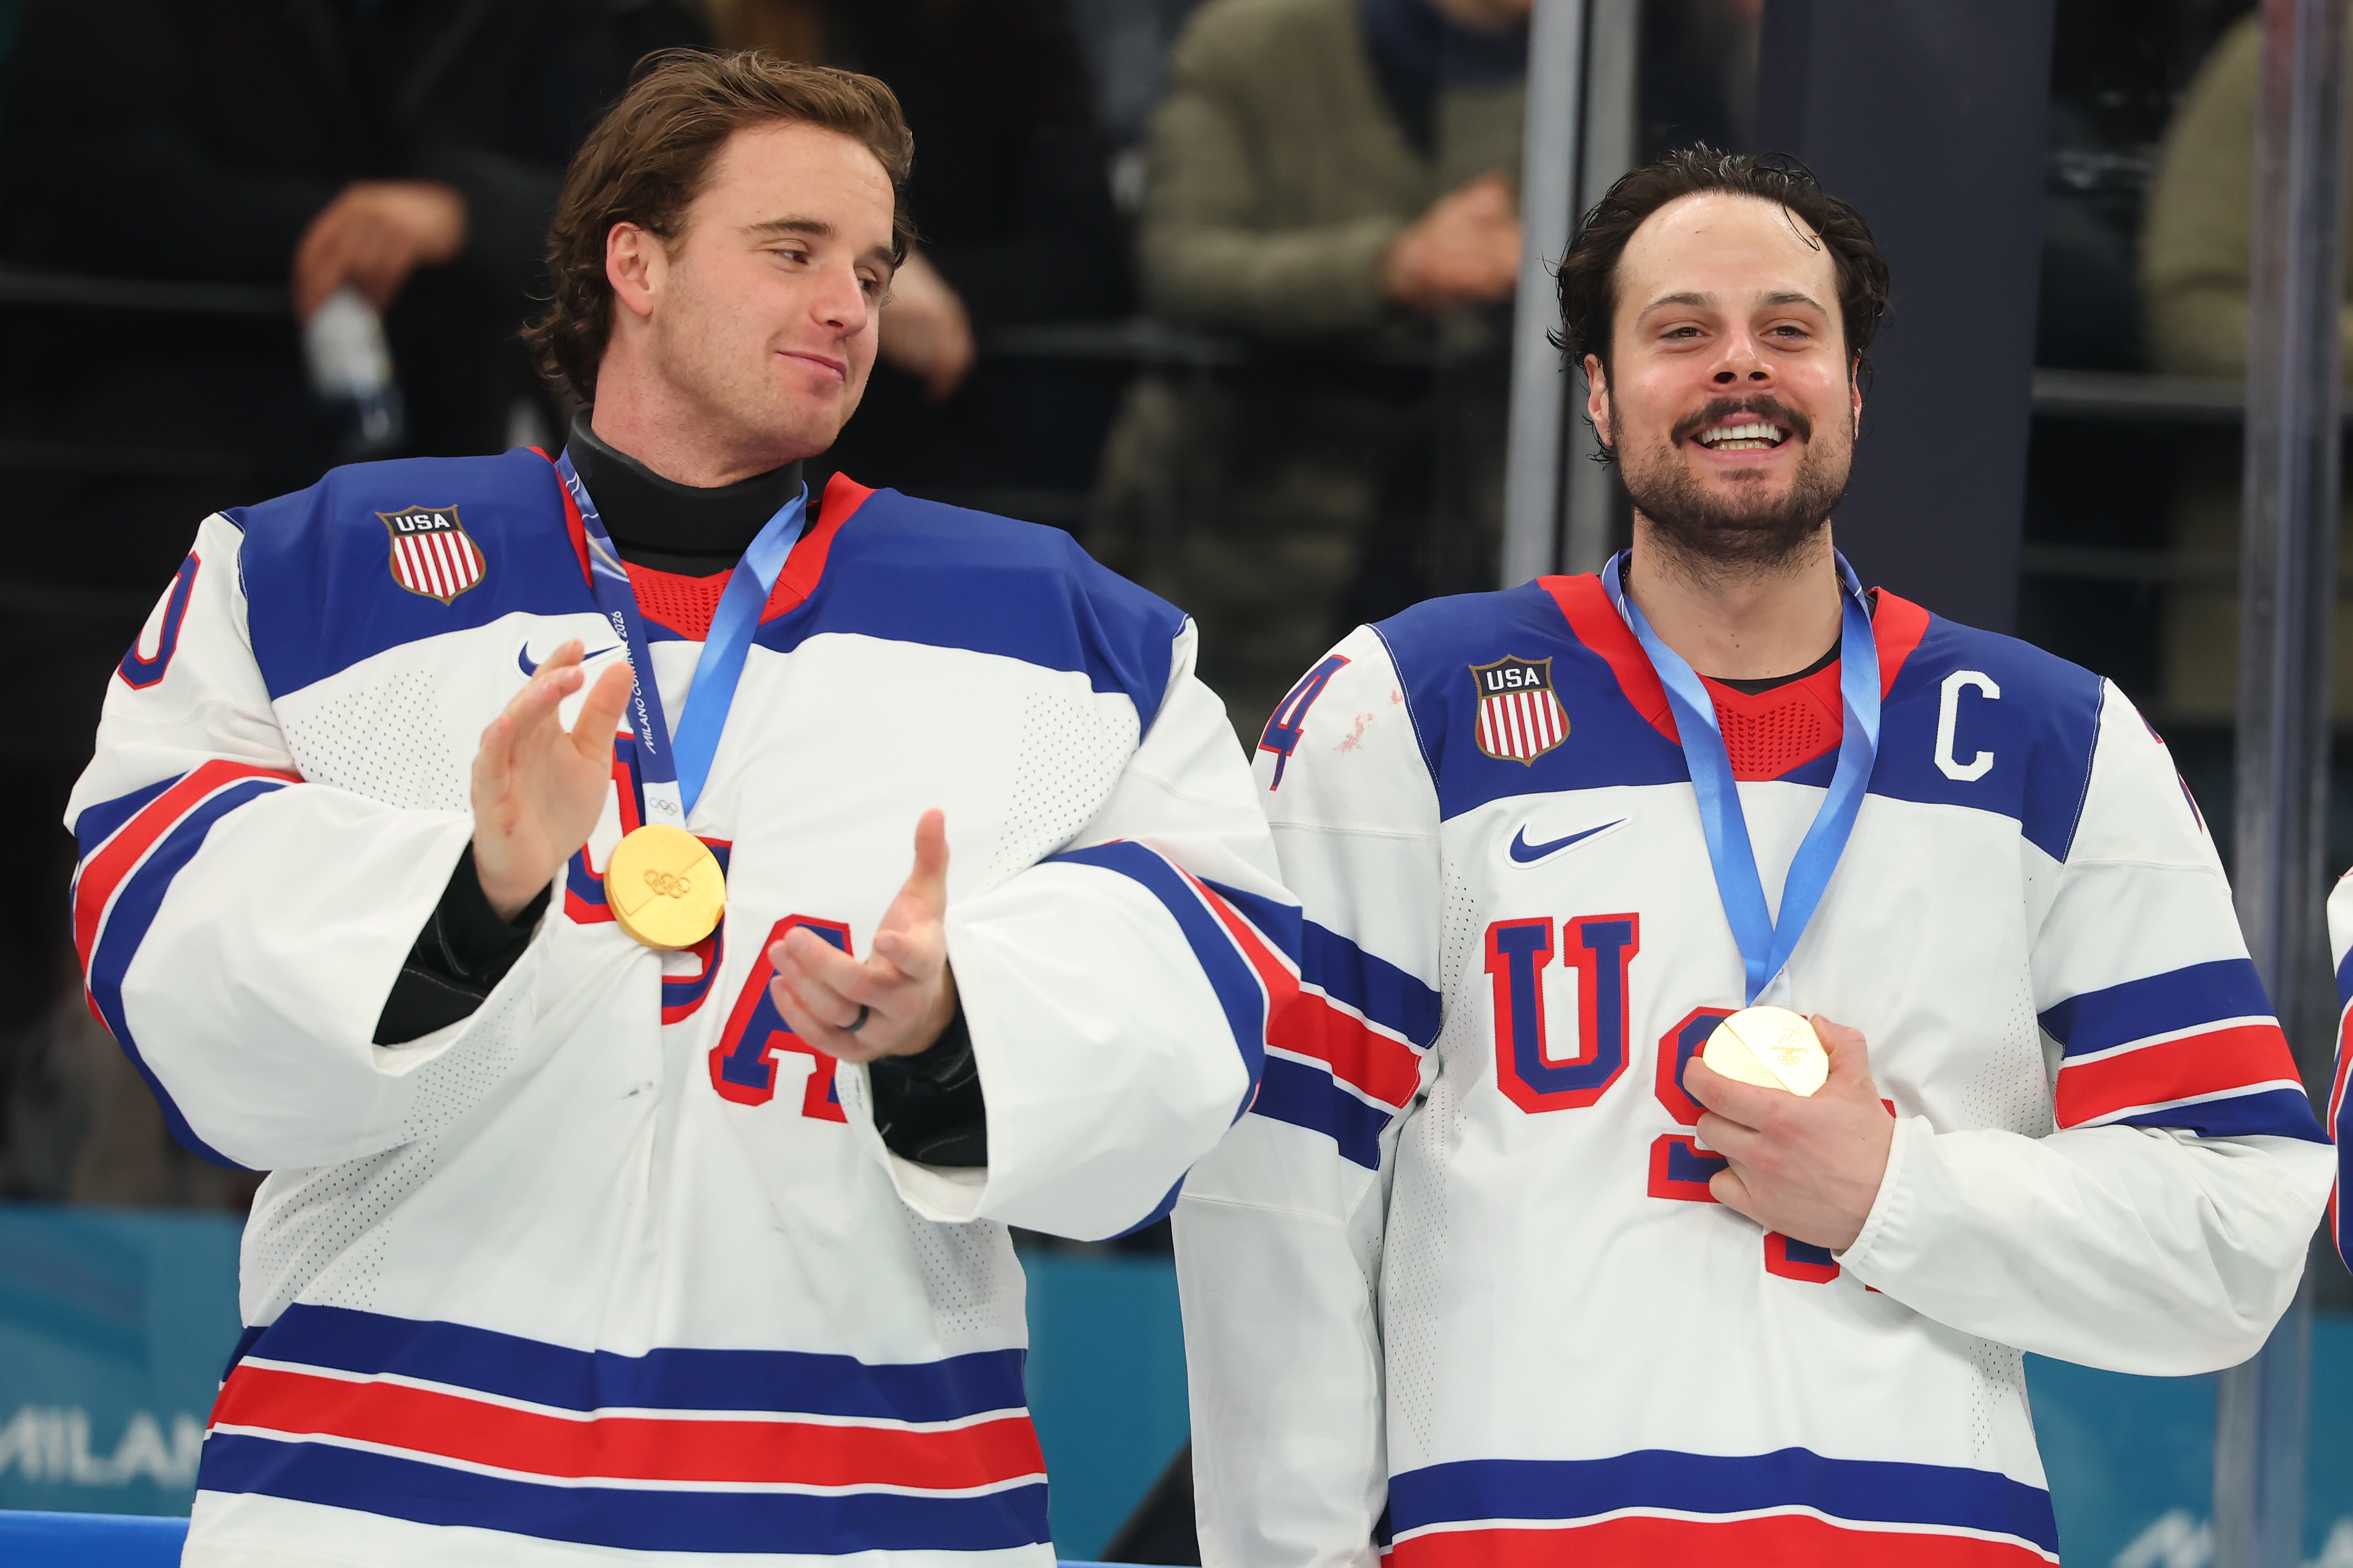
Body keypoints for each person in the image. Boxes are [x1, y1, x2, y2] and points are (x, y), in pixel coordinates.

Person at [68, 52, 1296, 1565]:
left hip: (863, 1517)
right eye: (792, 252)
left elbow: (1210, 976)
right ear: (632, 264)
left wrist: (957, 1028)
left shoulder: (1065, 629)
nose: (852, 304)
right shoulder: (314, 574)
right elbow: (156, 918)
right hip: (388, 1506)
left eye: (873, 265)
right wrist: (469, 905)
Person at [1173, 148, 2332, 1565]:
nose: (1740, 368)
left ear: (1852, 388)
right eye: (1680, 332)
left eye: (1788, 330)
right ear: (1597, 393)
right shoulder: (1404, 709)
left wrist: (1893, 1192)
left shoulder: (2053, 742)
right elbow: (1278, 1196)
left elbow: (2236, 1231)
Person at [1092, 0, 1530, 738]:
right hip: (1243, 548)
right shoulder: (1254, 43)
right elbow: (1180, 263)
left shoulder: (1623, 60)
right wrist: (1391, 267)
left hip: (1492, 546)